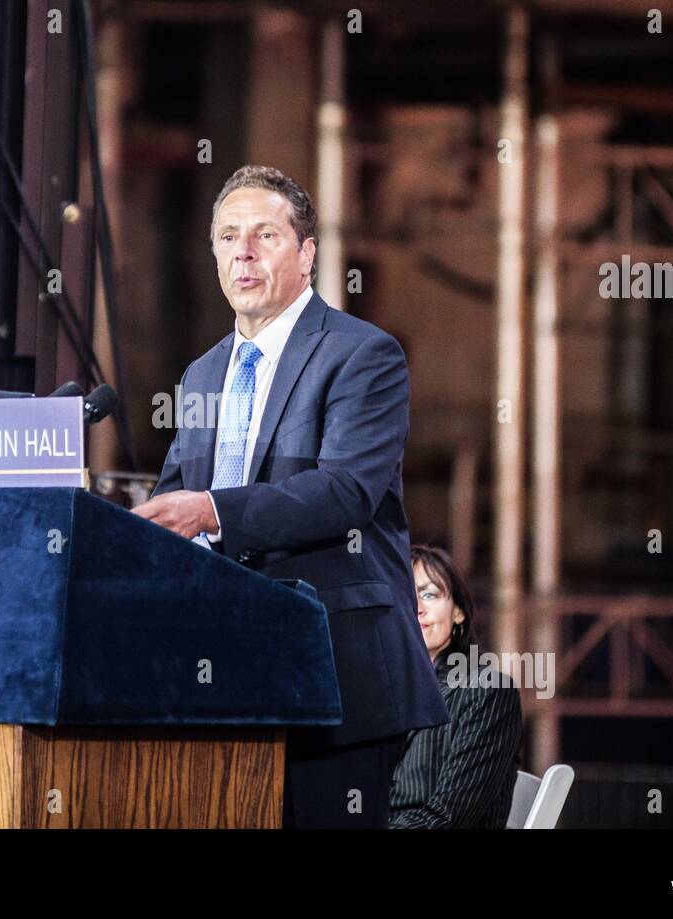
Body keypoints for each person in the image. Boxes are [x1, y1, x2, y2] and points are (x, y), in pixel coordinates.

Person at [134, 164, 448, 828]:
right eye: (227, 237)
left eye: (264, 234)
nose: (242, 252)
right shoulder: (202, 374)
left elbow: (344, 491)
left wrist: (214, 509)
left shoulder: (363, 355)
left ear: (307, 254)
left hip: (334, 672)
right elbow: (175, 499)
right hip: (222, 676)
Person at [389, 545, 523, 829]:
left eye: (429, 594)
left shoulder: (488, 691)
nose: (417, 608)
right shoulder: (388, 691)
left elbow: (449, 817)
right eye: (406, 595)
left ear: (458, 612)